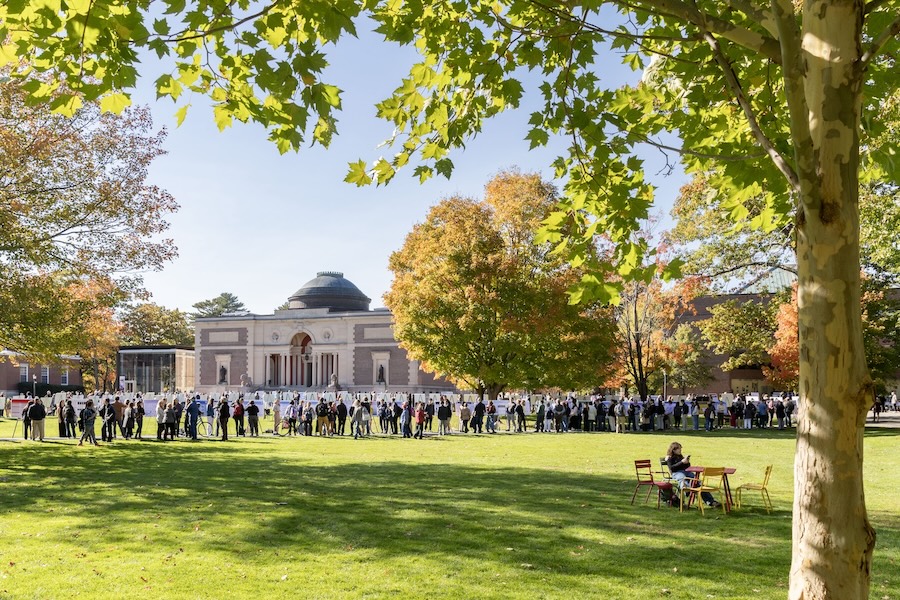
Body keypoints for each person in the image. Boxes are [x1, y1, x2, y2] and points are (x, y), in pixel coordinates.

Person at [665, 442, 720, 508]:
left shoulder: (680, 456)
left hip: (686, 472)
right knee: (682, 477)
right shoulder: (669, 458)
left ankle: (711, 501)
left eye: (680, 449)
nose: (680, 450)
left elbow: (687, 467)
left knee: (695, 480)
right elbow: (671, 468)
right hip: (676, 473)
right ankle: (685, 488)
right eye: (678, 449)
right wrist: (681, 462)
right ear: (673, 450)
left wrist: (687, 462)